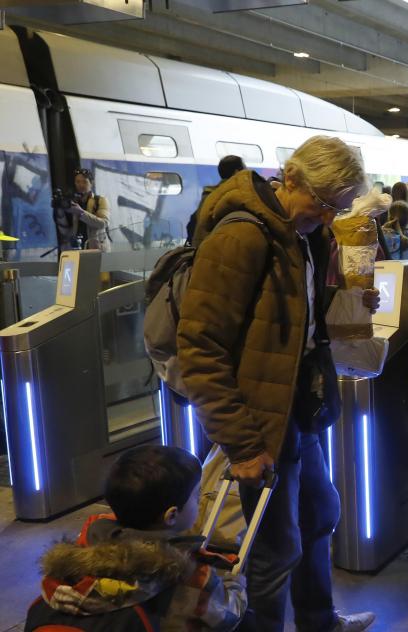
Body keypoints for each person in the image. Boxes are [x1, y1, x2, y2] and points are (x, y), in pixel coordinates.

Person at [176, 135, 377, 632]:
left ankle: (318, 621)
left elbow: (286, 321)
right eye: (326, 203)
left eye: (341, 207)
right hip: (261, 418)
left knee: (318, 513)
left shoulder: (303, 232)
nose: (331, 216)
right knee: (273, 545)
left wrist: (343, 307)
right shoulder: (242, 235)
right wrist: (242, 446)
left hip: (297, 409)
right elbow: (200, 347)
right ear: (291, 179)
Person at [27, 445, 245, 630]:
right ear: (171, 515)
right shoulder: (185, 572)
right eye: (196, 496)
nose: (198, 501)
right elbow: (227, 616)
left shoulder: (81, 547)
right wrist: (234, 581)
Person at [188, 155, 247, 244]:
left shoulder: (209, 194)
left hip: (200, 248)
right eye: (245, 169)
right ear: (237, 172)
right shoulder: (233, 195)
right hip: (216, 250)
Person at [56, 167, 110, 252]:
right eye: (77, 182)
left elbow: (103, 223)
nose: (80, 185)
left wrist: (81, 212)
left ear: (91, 183)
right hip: (77, 249)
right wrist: (60, 213)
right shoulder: (73, 202)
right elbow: (65, 231)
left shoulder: (100, 200)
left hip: (96, 250)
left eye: (85, 181)